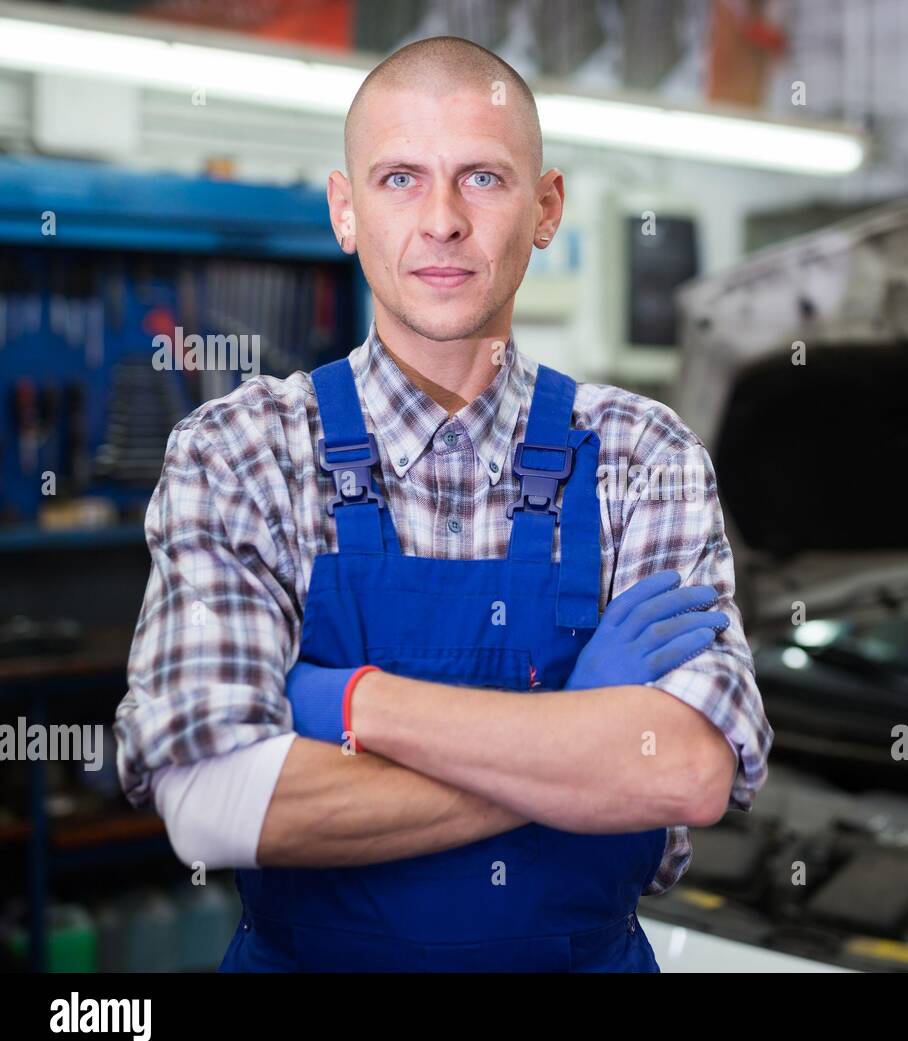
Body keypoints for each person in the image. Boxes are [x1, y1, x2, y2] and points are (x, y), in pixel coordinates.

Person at [114, 35, 772, 973]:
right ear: (345, 212)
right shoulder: (243, 452)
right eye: (398, 180)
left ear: (545, 209)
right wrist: (580, 731)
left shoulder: (642, 456)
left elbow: (686, 771)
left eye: (484, 180)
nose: (442, 221)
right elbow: (214, 806)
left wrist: (348, 702)